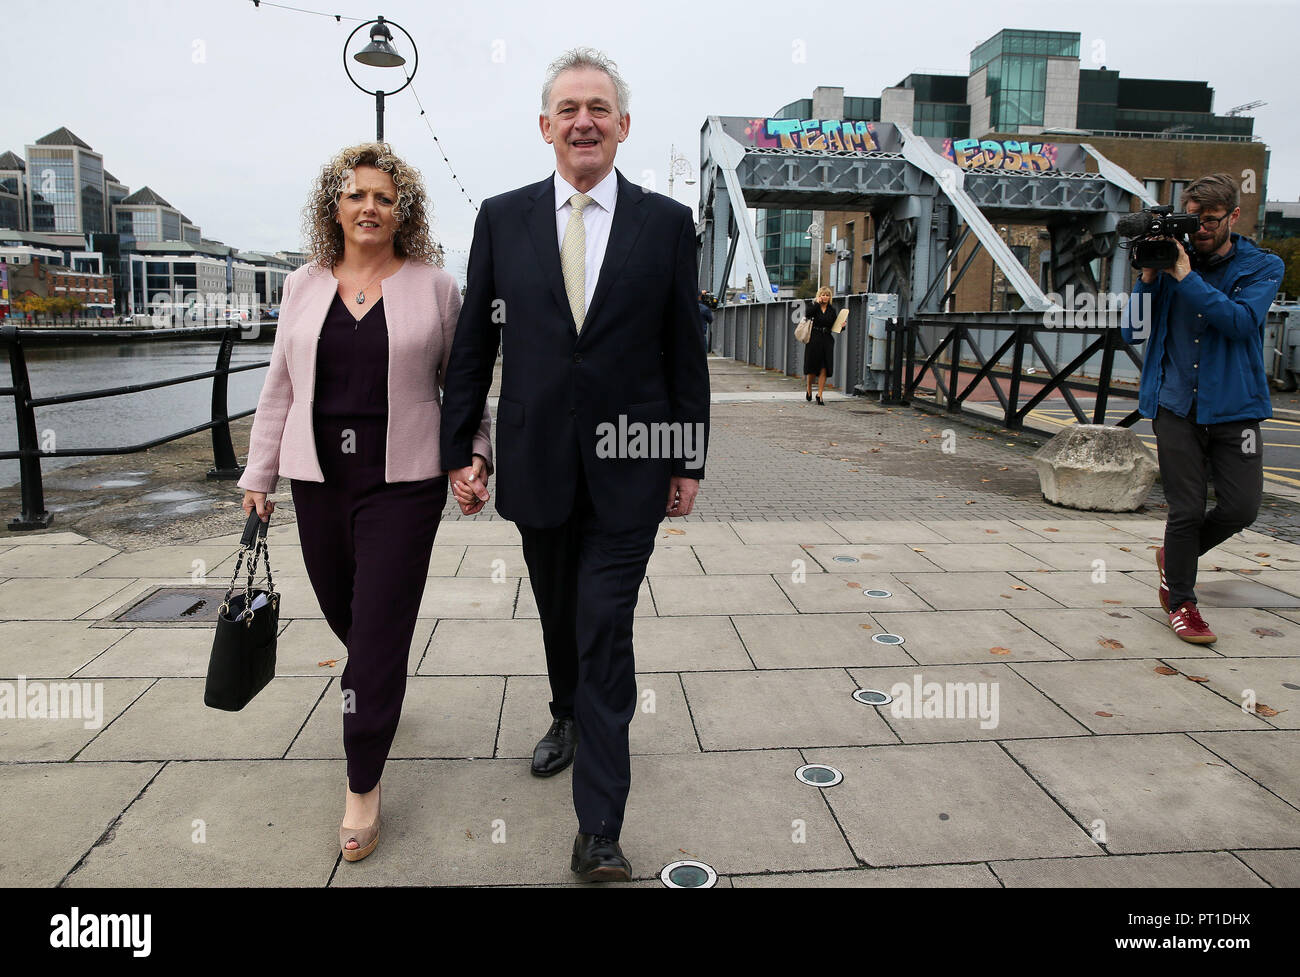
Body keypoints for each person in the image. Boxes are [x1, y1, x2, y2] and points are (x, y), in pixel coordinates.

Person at [440, 47, 710, 882]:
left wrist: (687, 456)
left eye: (600, 107)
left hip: (633, 465)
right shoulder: (502, 217)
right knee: (561, 613)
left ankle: (598, 826)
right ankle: (564, 712)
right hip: (536, 461)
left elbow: (683, 351)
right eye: (569, 107)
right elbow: (475, 343)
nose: (584, 120)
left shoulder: (666, 225)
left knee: (604, 629)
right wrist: (462, 452)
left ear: (623, 126)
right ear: (546, 126)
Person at [237, 143, 493, 862]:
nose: (370, 206)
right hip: (318, 477)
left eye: (384, 196)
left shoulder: (437, 288)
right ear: (335, 208)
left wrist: (473, 455)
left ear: (402, 210)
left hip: (403, 481)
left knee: (376, 629)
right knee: (344, 611)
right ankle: (375, 681)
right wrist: (259, 475)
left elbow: (461, 385)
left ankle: (362, 783)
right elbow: (279, 388)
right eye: (356, 195)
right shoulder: (302, 285)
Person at [1121, 173, 1283, 644]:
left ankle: (1174, 559)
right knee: (1186, 510)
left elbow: (1239, 322)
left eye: (1210, 221)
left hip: (1237, 408)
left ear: (1233, 215)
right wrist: (1148, 278)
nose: (1200, 231)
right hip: (1174, 404)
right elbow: (1133, 331)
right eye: (1192, 221)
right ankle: (1183, 604)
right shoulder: (1169, 259)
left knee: (1241, 508)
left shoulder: (1262, 265)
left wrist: (1183, 275)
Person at [804, 285, 837, 404]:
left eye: (827, 295)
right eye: (823, 295)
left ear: (830, 297)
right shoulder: (813, 306)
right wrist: (816, 304)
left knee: (824, 368)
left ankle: (820, 394)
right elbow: (808, 315)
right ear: (819, 296)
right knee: (812, 368)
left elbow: (835, 326)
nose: (825, 297)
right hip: (814, 339)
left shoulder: (832, 310)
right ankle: (809, 388)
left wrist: (842, 326)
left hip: (827, 340)